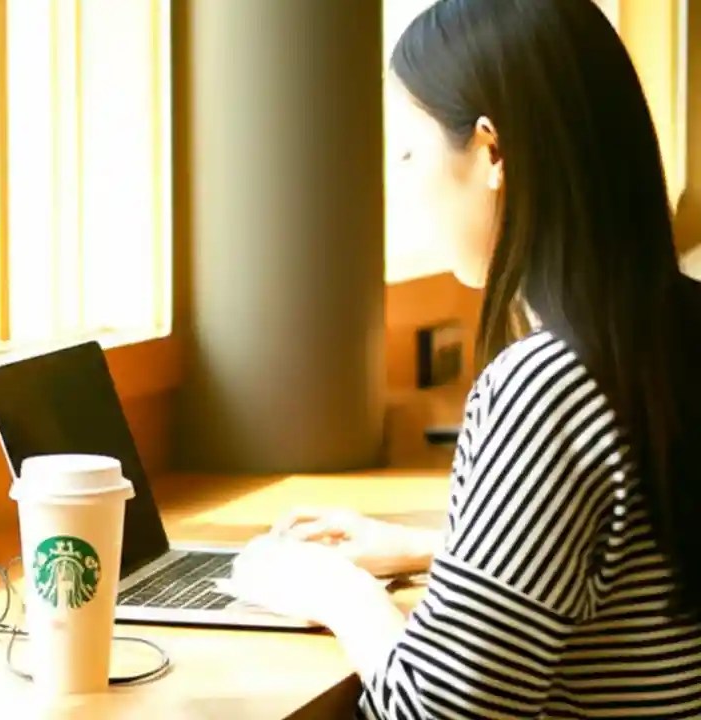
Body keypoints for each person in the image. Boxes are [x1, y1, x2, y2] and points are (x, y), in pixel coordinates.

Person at [227, 0, 701, 716]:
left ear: (491, 152)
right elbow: (642, 555)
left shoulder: (549, 387)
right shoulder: (675, 330)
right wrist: (443, 549)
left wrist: (332, 588)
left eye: (411, 151)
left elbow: (440, 711)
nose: (406, 183)